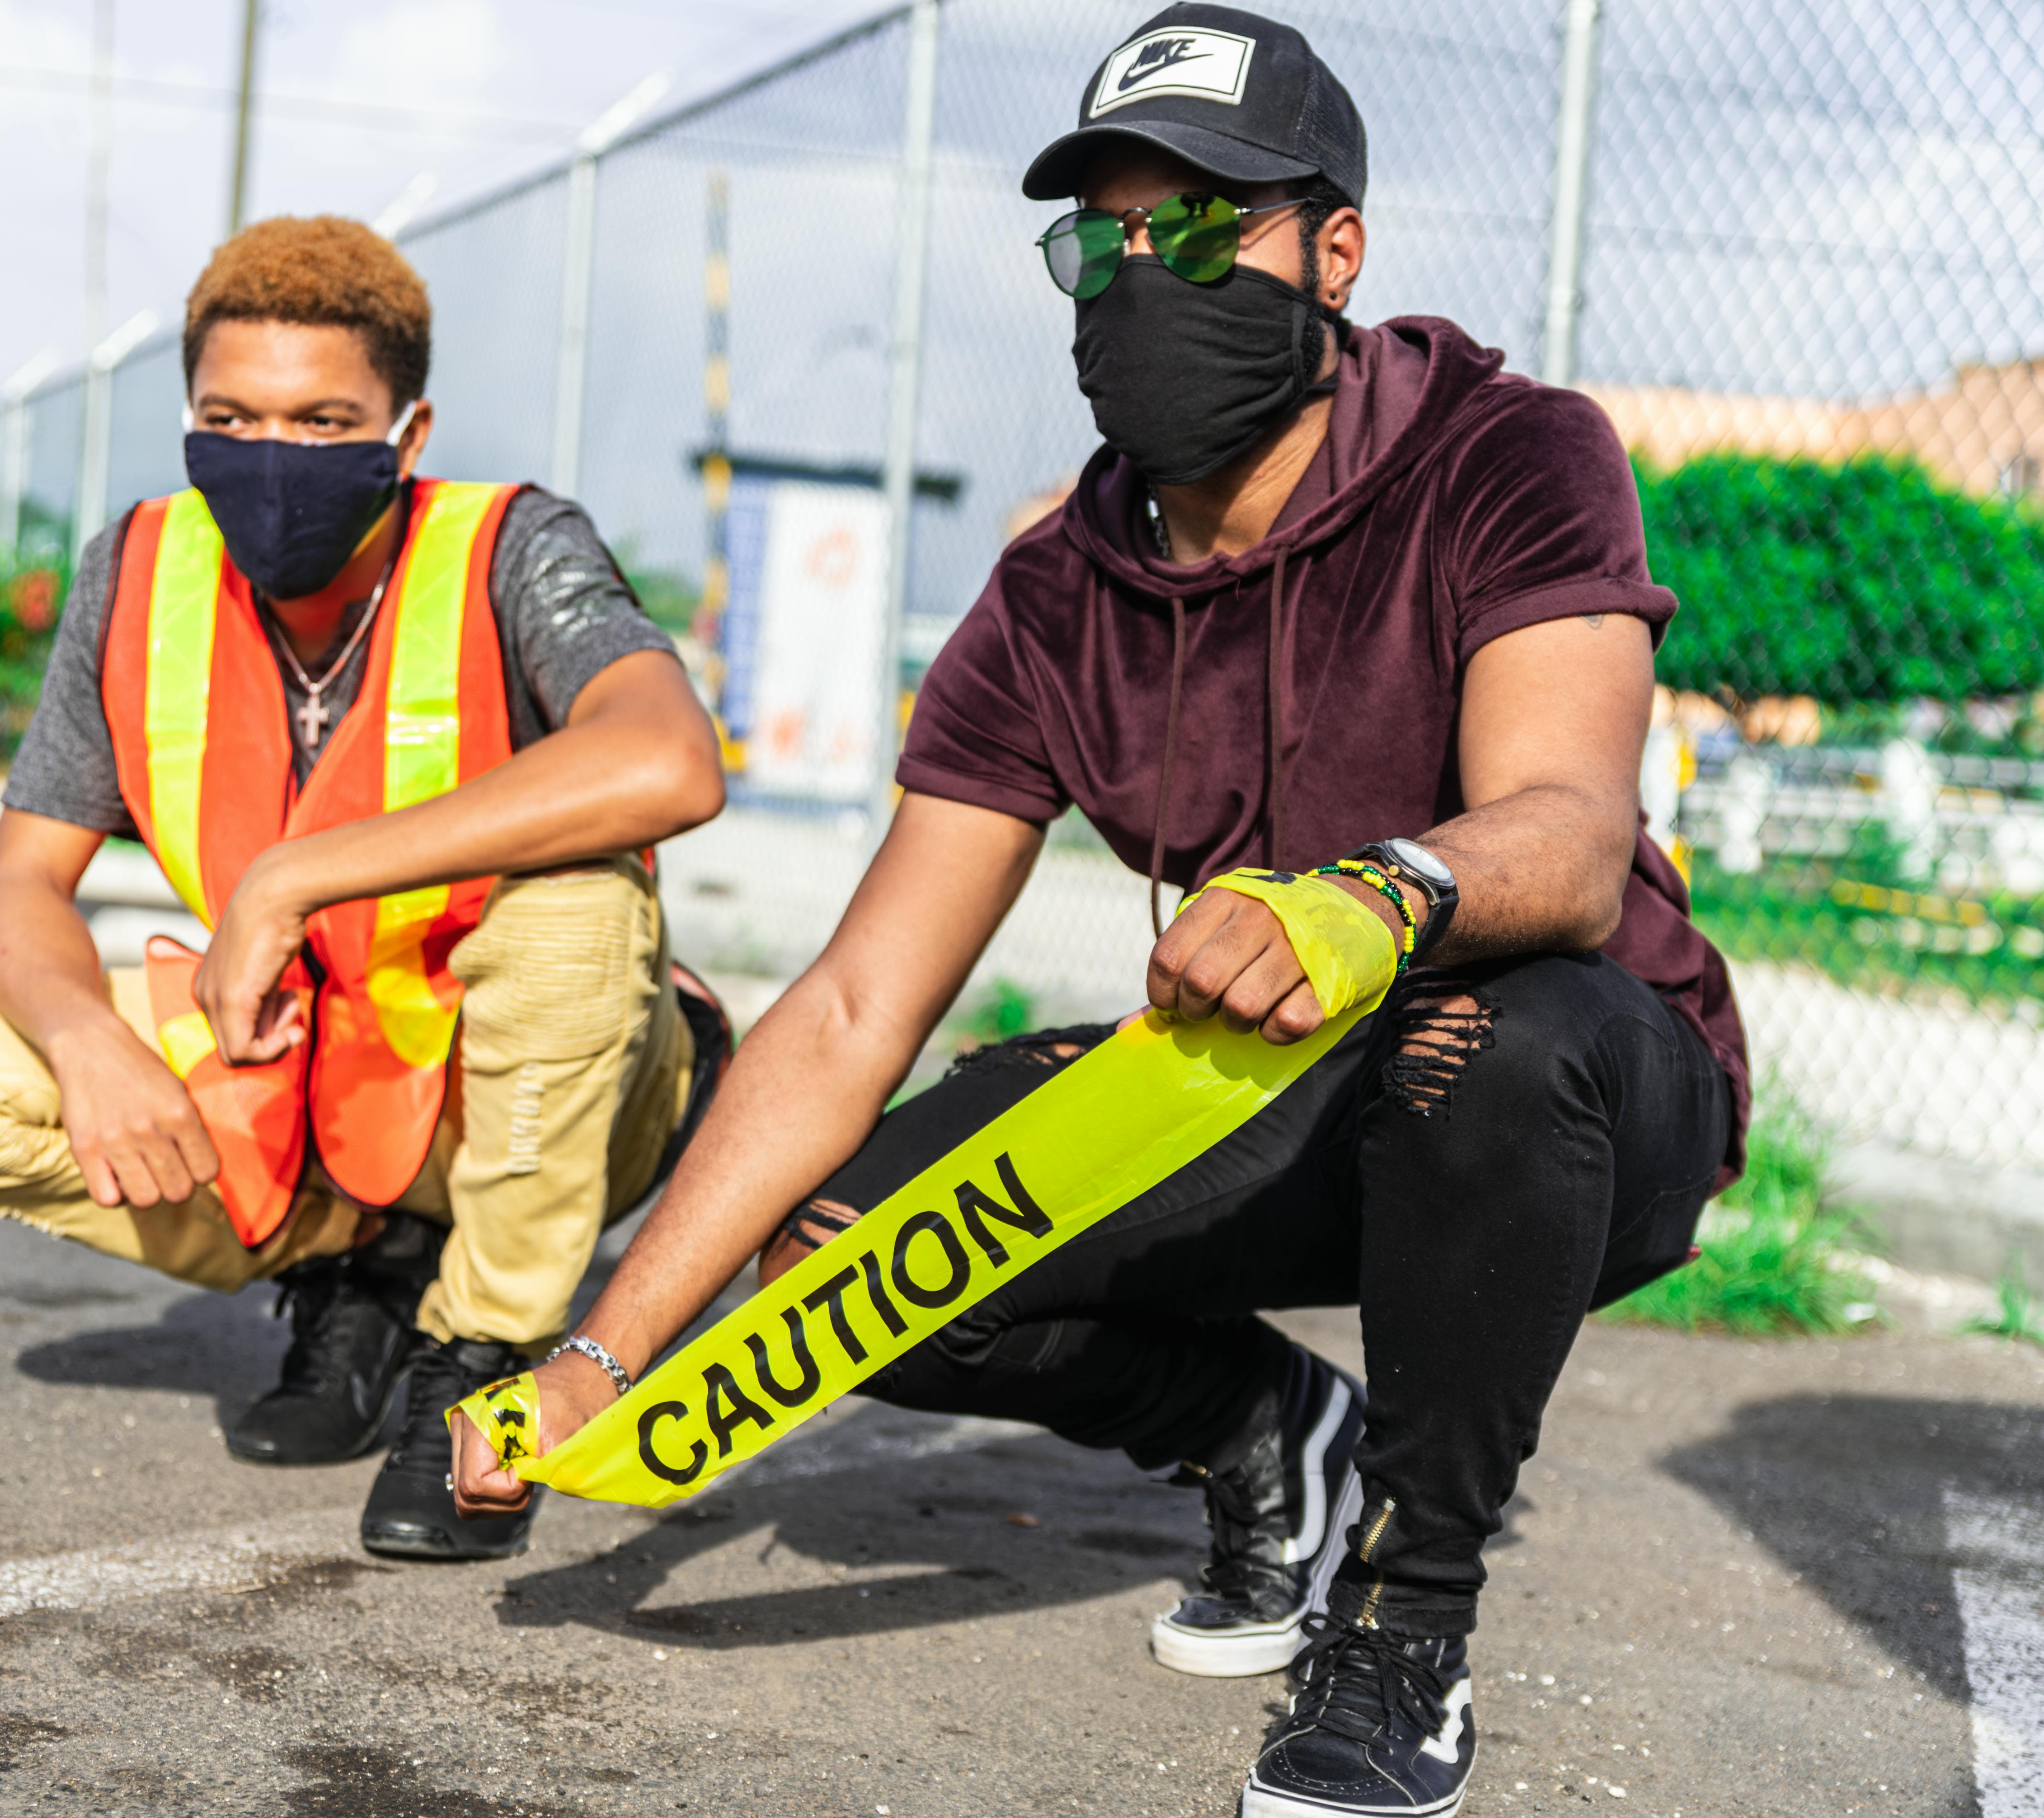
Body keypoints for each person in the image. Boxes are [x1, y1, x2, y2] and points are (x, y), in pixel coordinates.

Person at [454, 9, 1745, 1815]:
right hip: (1264, 1087)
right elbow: (849, 1009)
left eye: (1206, 233)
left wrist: (1375, 893)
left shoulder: (1508, 452)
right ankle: (1269, 1438)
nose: (1146, 281)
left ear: (1335, 250)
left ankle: (1403, 1615)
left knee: (1494, 1029)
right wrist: (604, 1351)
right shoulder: (1058, 591)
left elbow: (1568, 833)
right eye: (1104, 244)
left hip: (1579, 1077)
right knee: (838, 1253)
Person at [0, 216, 732, 1564]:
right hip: (317, 1074)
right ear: (191, 420)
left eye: (325, 423)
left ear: (408, 433)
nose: (273, 460)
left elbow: (668, 759)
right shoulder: (139, 571)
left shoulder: (509, 551)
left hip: (550, 1092)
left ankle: (482, 1362)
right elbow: (21, 880)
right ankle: (354, 1264)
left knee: (580, 904)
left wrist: (291, 880)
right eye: (231, 419)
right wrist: (88, 1047)